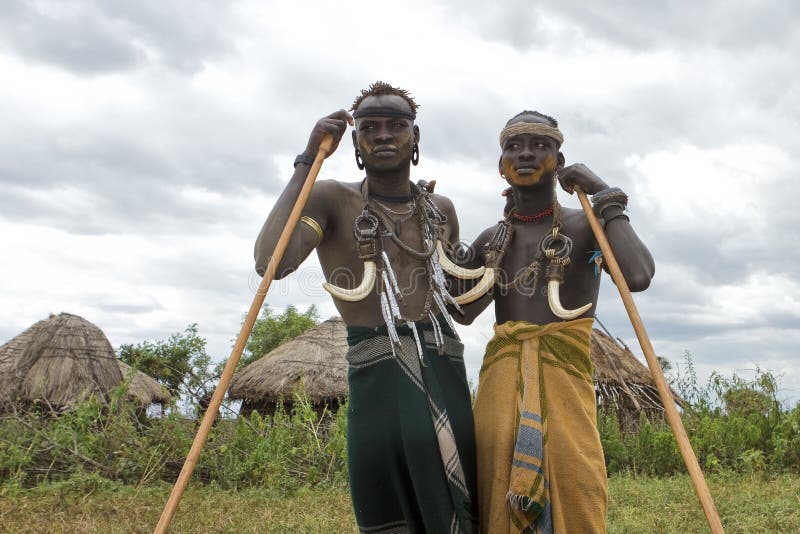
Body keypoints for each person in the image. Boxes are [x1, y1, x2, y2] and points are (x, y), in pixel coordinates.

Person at [254, 82, 478, 533]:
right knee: (384, 509)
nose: (383, 134)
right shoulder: (332, 199)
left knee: (460, 508)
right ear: (354, 142)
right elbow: (270, 262)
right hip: (376, 376)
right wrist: (306, 162)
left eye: (397, 124)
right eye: (369, 126)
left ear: (415, 138)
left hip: (443, 368)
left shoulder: (440, 209)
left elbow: (461, 306)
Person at [449, 111, 654, 533]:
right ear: (500, 165)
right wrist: (441, 240)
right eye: (513, 146)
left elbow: (638, 276)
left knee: (578, 488)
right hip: (500, 388)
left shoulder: (586, 226)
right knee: (497, 493)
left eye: (540, 145)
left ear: (559, 163)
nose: (525, 153)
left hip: (566, 386)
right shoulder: (492, 240)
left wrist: (605, 195)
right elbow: (461, 311)